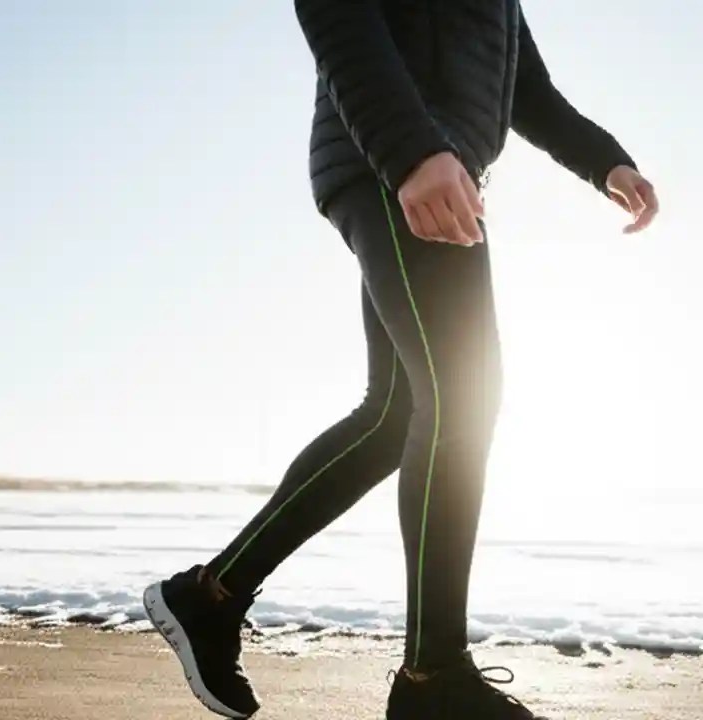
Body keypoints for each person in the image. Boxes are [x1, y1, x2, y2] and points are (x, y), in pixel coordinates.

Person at [142, 1, 659, 718]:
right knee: (463, 399)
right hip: (399, 165)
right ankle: (433, 678)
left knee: (398, 414)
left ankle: (209, 597)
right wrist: (411, 151)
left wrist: (606, 161)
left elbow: (526, 92)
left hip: (430, 175)